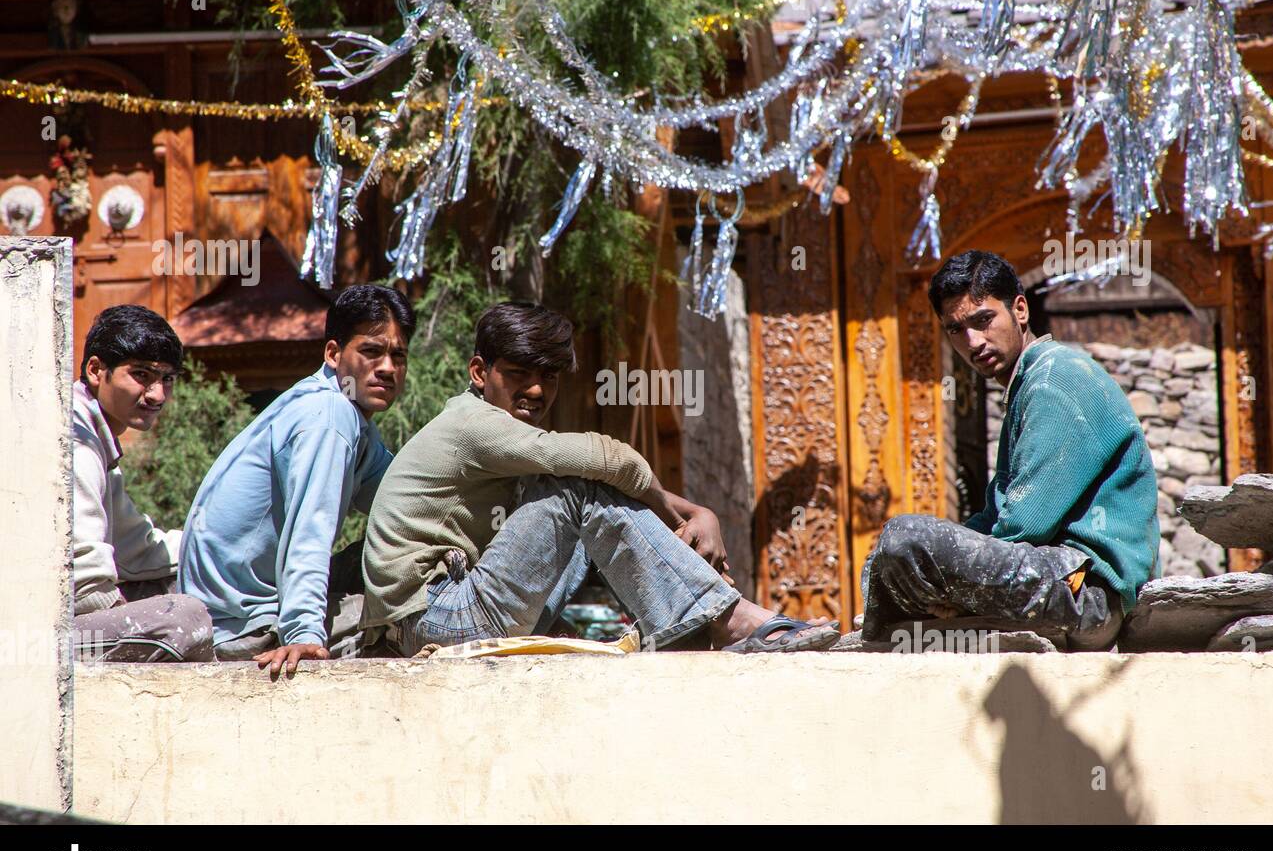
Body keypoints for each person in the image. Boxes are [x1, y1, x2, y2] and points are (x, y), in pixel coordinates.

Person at [359, 301, 841, 657]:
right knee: (576, 484)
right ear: (480, 372)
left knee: (580, 486)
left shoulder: (499, 433)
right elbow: (608, 459)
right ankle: (727, 620)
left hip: (455, 611)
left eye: (549, 377)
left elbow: (604, 474)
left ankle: (695, 624)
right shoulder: (471, 424)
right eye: (519, 373)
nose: (536, 390)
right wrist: (679, 518)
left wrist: (701, 513)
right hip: (437, 619)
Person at [860, 250, 1160, 650]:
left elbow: (1024, 525)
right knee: (888, 558)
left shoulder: (1054, 379)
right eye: (956, 329)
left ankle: (888, 645)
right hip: (1061, 583)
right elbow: (993, 518)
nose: (973, 341)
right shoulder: (1028, 385)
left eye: (983, 320)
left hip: (1087, 592)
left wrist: (951, 579)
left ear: (1020, 309)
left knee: (906, 538)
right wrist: (945, 570)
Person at [179, 284, 411, 675]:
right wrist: (304, 633)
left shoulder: (348, 416)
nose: (387, 367)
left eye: (398, 355)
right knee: (403, 615)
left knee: (386, 554)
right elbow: (310, 531)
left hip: (242, 608)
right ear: (334, 354)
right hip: (239, 625)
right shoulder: (328, 415)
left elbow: (403, 500)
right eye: (371, 351)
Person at [72, 305, 214, 662]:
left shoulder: (98, 440)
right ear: (95, 370)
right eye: (141, 375)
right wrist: (134, 618)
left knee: (194, 587)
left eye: (167, 379)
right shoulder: (75, 443)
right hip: (38, 634)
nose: (157, 395)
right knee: (183, 618)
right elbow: (85, 589)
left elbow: (139, 551)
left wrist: (223, 544)